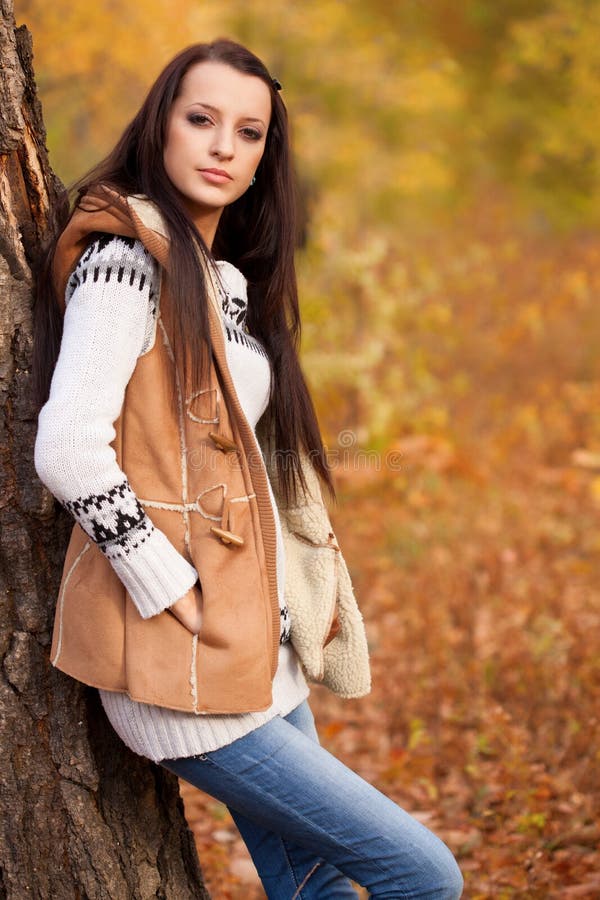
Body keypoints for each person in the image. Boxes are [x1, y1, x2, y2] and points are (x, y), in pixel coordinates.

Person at [32, 38, 464, 899]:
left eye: (249, 132)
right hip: (181, 663)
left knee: (315, 891)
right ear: (160, 127)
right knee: (425, 876)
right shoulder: (124, 263)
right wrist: (169, 587)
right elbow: (69, 444)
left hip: (254, 652)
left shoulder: (220, 281)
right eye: (202, 120)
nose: (223, 146)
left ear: (267, 155)